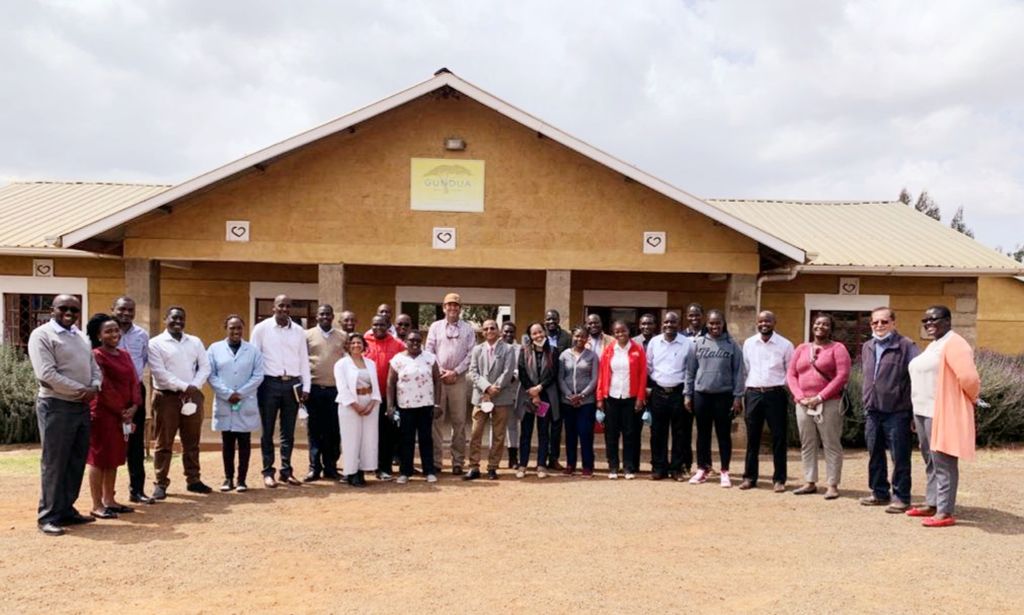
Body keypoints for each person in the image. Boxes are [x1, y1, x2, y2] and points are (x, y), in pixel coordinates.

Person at [28, 295, 100, 535]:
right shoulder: (42, 335)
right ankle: (47, 515)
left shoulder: (79, 336)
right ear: (53, 310)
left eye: (74, 309)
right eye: (63, 308)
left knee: (75, 460)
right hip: (56, 405)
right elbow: (46, 374)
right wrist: (81, 390)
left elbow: (93, 366)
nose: (69, 312)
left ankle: (66, 510)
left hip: (80, 406)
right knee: (55, 462)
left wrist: (95, 386)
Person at [907, 306, 980, 527]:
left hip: (940, 412)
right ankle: (933, 502)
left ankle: (945, 511)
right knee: (930, 460)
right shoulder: (934, 345)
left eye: (933, 319)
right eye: (925, 320)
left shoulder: (955, 343)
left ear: (948, 320)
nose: (928, 323)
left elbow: (969, 378)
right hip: (922, 411)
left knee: (944, 462)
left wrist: (971, 399)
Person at [859, 306, 919, 513]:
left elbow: (917, 378)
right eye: (875, 322)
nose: (879, 325)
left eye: (884, 322)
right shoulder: (867, 346)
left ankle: (901, 497)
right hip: (873, 410)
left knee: (900, 456)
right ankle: (879, 492)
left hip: (898, 411)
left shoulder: (906, 345)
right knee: (874, 453)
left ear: (893, 323)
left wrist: (913, 412)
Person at [148, 306, 212, 499]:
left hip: (192, 396)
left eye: (181, 318)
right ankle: (160, 483)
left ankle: (193, 480)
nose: (178, 322)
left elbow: (205, 367)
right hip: (166, 397)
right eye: (174, 318)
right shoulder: (155, 343)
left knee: (192, 441)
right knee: (164, 442)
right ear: (165, 319)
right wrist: (185, 387)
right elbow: (160, 373)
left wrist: (194, 386)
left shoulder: (194, 342)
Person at [786, 313, 851, 499]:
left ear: (831, 328)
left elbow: (842, 377)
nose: (820, 327)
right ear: (812, 326)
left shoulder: (838, 348)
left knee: (831, 443)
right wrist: (799, 396)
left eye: (825, 324)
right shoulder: (801, 348)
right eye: (817, 323)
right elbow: (791, 375)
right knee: (807, 443)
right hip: (803, 403)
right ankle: (809, 481)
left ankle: (832, 484)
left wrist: (820, 397)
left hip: (829, 403)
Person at [250, 295, 311, 488]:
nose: (284, 309)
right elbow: (254, 358)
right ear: (273, 308)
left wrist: (306, 387)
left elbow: (304, 360)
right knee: (267, 430)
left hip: (292, 385)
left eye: (287, 306)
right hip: (269, 384)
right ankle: (268, 472)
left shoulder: (299, 331)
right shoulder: (261, 329)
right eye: (280, 306)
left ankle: (286, 471)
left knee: (288, 431)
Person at [83, 314, 140, 519]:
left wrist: (134, 406)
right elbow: (103, 386)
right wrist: (121, 410)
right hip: (103, 414)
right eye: (108, 331)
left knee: (114, 457)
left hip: (123, 414)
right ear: (99, 336)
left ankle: (110, 500)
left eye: (116, 330)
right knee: (99, 459)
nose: (114, 334)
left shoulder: (124, 354)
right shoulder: (96, 355)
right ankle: (97, 504)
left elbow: (134, 380)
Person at [685, 310, 743, 487]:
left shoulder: (732, 345)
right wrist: (687, 394)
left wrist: (738, 396)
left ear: (723, 324)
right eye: (711, 323)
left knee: (723, 434)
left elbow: (739, 372)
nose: (715, 326)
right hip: (701, 394)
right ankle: (703, 468)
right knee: (702, 434)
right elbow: (690, 371)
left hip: (724, 395)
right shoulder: (697, 343)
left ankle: (725, 470)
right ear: (707, 324)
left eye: (718, 323)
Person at [207, 315, 264, 492]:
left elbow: (258, 375)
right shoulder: (215, 349)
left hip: (245, 400)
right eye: (232, 328)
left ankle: (242, 480)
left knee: (244, 442)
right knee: (228, 442)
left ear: (243, 329)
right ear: (226, 328)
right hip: (226, 401)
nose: (236, 331)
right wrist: (227, 393)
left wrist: (241, 393)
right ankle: (228, 478)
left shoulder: (253, 351)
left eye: (239, 328)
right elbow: (211, 374)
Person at [741, 310, 794, 492]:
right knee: (752, 438)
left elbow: (790, 370)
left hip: (776, 394)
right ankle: (749, 477)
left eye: (768, 321)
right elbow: (746, 368)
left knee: (779, 437)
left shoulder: (785, 345)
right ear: (757, 322)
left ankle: (779, 479)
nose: (764, 324)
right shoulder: (749, 344)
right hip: (754, 393)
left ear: (774, 322)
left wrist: (780, 387)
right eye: (761, 321)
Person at [425, 293, 476, 475]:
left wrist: (455, 372)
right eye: (449, 305)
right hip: (438, 380)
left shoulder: (468, 329)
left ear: (460, 308)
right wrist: (440, 371)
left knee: (459, 421)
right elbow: (429, 350)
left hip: (458, 380)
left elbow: (471, 354)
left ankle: (458, 462)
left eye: (456, 305)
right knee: (437, 420)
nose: (452, 308)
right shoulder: (435, 327)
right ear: (443, 307)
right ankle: (437, 461)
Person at [112, 296, 153, 504]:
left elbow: (144, 361)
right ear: (113, 309)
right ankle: (106, 496)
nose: (126, 313)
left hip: (135, 392)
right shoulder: (106, 332)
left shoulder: (142, 335)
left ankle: (137, 490)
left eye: (130, 310)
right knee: (109, 441)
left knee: (136, 443)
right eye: (122, 309)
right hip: (110, 393)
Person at [645, 311, 694, 480]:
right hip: (658, 392)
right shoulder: (654, 342)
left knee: (679, 433)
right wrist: (650, 387)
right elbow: (648, 366)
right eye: (666, 322)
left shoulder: (687, 344)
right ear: (662, 324)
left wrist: (688, 394)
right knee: (658, 432)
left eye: (672, 322)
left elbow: (689, 370)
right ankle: (659, 468)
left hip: (678, 393)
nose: (669, 325)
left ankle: (676, 469)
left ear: (678, 324)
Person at [387, 330, 440, 484]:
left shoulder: (430, 358)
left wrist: (437, 404)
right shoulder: (398, 360)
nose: (415, 343)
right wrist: (390, 406)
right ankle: (405, 472)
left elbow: (437, 381)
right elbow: (390, 384)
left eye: (418, 340)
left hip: (425, 405)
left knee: (425, 438)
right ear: (406, 342)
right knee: (406, 439)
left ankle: (429, 470)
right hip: (405, 405)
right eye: (411, 340)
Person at [596, 320, 648, 480]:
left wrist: (640, 398)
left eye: (623, 331)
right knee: (611, 434)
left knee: (630, 433)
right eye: (617, 332)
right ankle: (613, 466)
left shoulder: (638, 350)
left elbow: (642, 376)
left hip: (630, 398)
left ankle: (628, 467)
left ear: (628, 331)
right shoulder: (609, 350)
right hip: (611, 397)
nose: (620, 334)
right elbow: (602, 375)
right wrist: (599, 398)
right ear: (613, 333)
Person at [466, 319, 516, 480]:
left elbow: (508, 372)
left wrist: (494, 389)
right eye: (486, 329)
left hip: (501, 397)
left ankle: (493, 467)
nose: (489, 331)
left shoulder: (508, 349)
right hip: (481, 397)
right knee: (476, 433)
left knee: (499, 434)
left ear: (498, 330)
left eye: (492, 328)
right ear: (482, 332)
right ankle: (474, 467)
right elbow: (473, 372)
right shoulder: (477, 350)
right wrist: (486, 388)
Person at [304, 304, 346, 482]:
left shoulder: (343, 336)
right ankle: (314, 468)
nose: (325, 317)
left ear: (333, 317)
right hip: (314, 389)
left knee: (334, 431)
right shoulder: (307, 336)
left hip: (335, 390)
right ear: (316, 316)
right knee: (314, 431)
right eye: (322, 314)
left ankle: (331, 467)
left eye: (328, 314)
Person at [335, 333, 381, 486]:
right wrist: (355, 405)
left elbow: (376, 385)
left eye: (359, 343)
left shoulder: (370, 363)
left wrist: (371, 403)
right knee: (351, 439)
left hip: (369, 403)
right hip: (350, 405)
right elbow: (342, 388)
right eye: (353, 343)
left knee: (368, 439)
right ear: (348, 345)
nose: (356, 345)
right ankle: (351, 472)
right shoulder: (341, 364)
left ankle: (362, 471)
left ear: (364, 346)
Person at [364, 314, 407, 480]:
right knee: (368, 434)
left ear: (388, 325)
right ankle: (367, 465)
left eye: (382, 325)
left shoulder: (397, 344)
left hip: (387, 397)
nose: (378, 328)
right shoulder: (364, 341)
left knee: (386, 434)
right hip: (367, 397)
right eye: (375, 325)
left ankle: (384, 468)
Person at [516, 323, 560, 478]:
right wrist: (533, 393)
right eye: (534, 333)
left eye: (540, 332)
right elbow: (522, 372)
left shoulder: (553, 351)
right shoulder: (524, 351)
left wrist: (540, 388)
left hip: (546, 396)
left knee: (543, 431)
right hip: (528, 396)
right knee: (526, 431)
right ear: (530, 335)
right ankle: (523, 465)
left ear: (545, 332)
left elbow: (553, 374)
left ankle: (541, 465)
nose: (538, 335)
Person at [558, 326, 599, 476]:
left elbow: (594, 378)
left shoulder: (592, 356)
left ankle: (588, 465)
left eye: (582, 336)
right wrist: (569, 395)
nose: (579, 339)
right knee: (570, 434)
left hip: (586, 402)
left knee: (585, 433)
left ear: (587, 338)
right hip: (567, 402)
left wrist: (582, 395)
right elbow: (560, 378)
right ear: (572, 337)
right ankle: (570, 464)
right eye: (576, 336)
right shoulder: (564, 355)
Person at [540, 310, 572, 471]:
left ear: (559, 320)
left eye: (554, 318)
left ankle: (554, 458)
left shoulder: (567, 337)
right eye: (548, 319)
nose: (551, 321)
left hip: (559, 387)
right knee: (542, 424)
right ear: (544, 321)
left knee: (557, 424)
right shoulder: (539, 335)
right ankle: (541, 458)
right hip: (543, 388)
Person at [631, 313, 658, 473]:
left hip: (656, 391)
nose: (646, 326)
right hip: (636, 392)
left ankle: (657, 465)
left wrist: (651, 388)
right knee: (634, 430)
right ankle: (633, 465)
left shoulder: (660, 342)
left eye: (650, 324)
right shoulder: (633, 343)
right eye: (643, 324)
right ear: (639, 325)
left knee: (656, 431)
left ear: (655, 325)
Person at [502, 322, 524, 469]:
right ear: (501, 333)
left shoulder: (520, 349)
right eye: (506, 332)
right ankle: (494, 457)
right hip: (497, 391)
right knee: (495, 426)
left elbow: (521, 367)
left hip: (514, 391)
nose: (508, 334)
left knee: (512, 425)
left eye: (511, 332)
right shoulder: (496, 348)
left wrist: (513, 374)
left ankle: (513, 458)